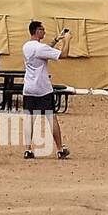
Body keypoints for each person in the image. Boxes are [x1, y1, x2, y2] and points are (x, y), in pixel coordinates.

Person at [22, 21, 71, 160]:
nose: (44, 31)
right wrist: (67, 41)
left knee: (30, 119)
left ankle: (27, 149)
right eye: (42, 29)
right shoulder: (40, 48)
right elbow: (64, 55)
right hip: (43, 88)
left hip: (29, 87)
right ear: (37, 31)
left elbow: (45, 50)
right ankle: (60, 149)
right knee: (51, 118)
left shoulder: (26, 46)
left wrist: (56, 40)